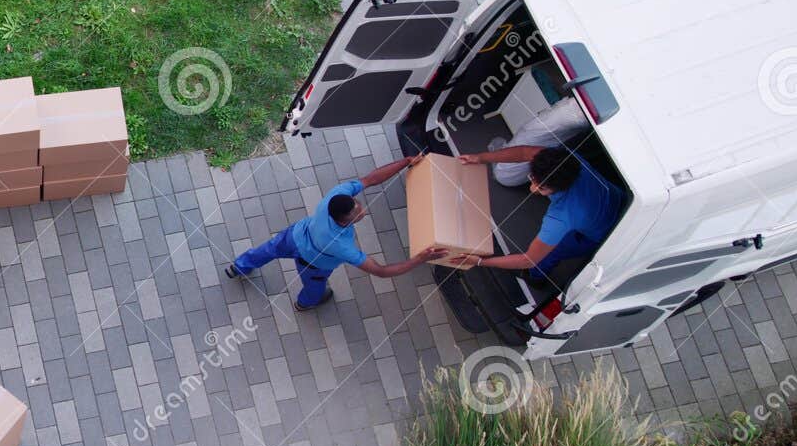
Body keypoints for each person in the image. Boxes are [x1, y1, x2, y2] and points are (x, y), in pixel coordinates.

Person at [225, 155, 445, 311]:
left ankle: (240, 266)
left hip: (294, 236)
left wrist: (406, 162)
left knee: (267, 250)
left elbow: (370, 179)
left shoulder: (336, 195)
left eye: (358, 205)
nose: (363, 210)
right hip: (313, 264)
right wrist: (420, 259)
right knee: (315, 287)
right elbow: (381, 271)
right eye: (358, 213)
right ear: (343, 221)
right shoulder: (342, 246)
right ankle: (305, 304)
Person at [451, 145, 622, 282]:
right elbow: (524, 152)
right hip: (619, 200)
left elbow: (528, 259)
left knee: (551, 253)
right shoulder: (563, 160)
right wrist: (481, 158)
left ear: (561, 188)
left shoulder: (561, 218)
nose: (532, 188)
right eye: (532, 178)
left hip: (605, 231)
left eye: (542, 187)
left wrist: (480, 261)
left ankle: (535, 277)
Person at [487, 94, 590, 187]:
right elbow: (524, 153)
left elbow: (524, 153)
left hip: (571, 120)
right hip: (573, 115)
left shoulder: (505, 175)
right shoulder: (504, 174)